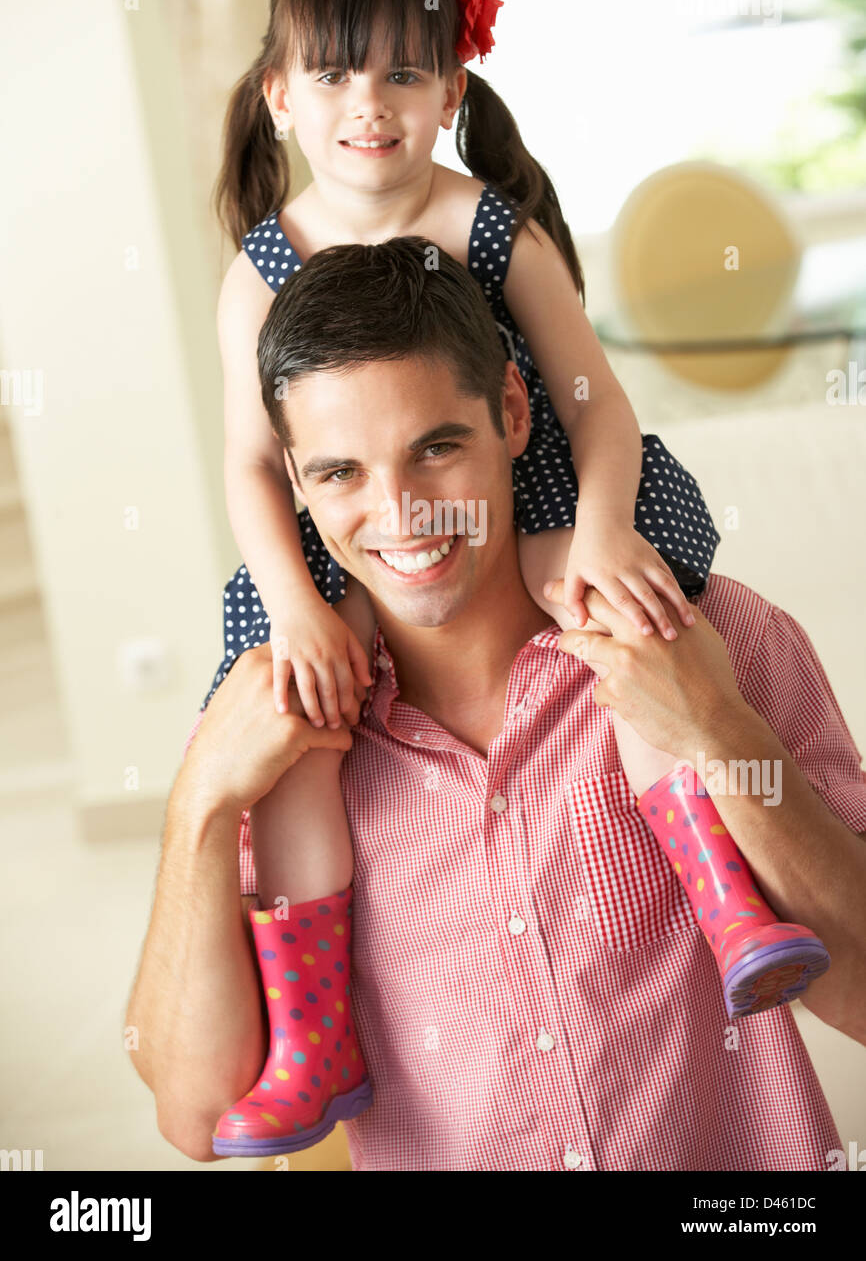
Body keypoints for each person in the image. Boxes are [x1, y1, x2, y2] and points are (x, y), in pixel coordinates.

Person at [191, 0, 826, 1155]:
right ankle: (317, 1030)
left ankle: (723, 902)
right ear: (279, 94)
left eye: (400, 75)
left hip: (527, 504)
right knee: (306, 737)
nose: (366, 106)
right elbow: (249, 462)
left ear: (449, 92)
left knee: (622, 637)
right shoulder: (261, 269)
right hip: (344, 548)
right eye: (330, 75)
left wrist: (594, 536)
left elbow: (593, 401)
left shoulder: (488, 226)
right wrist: (296, 606)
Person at [126, 236, 866, 1171]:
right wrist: (199, 804)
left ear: (513, 411)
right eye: (340, 473)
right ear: (294, 481)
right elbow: (196, 1119)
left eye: (436, 448)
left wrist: (716, 732)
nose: (402, 516)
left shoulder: (715, 640)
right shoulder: (271, 743)